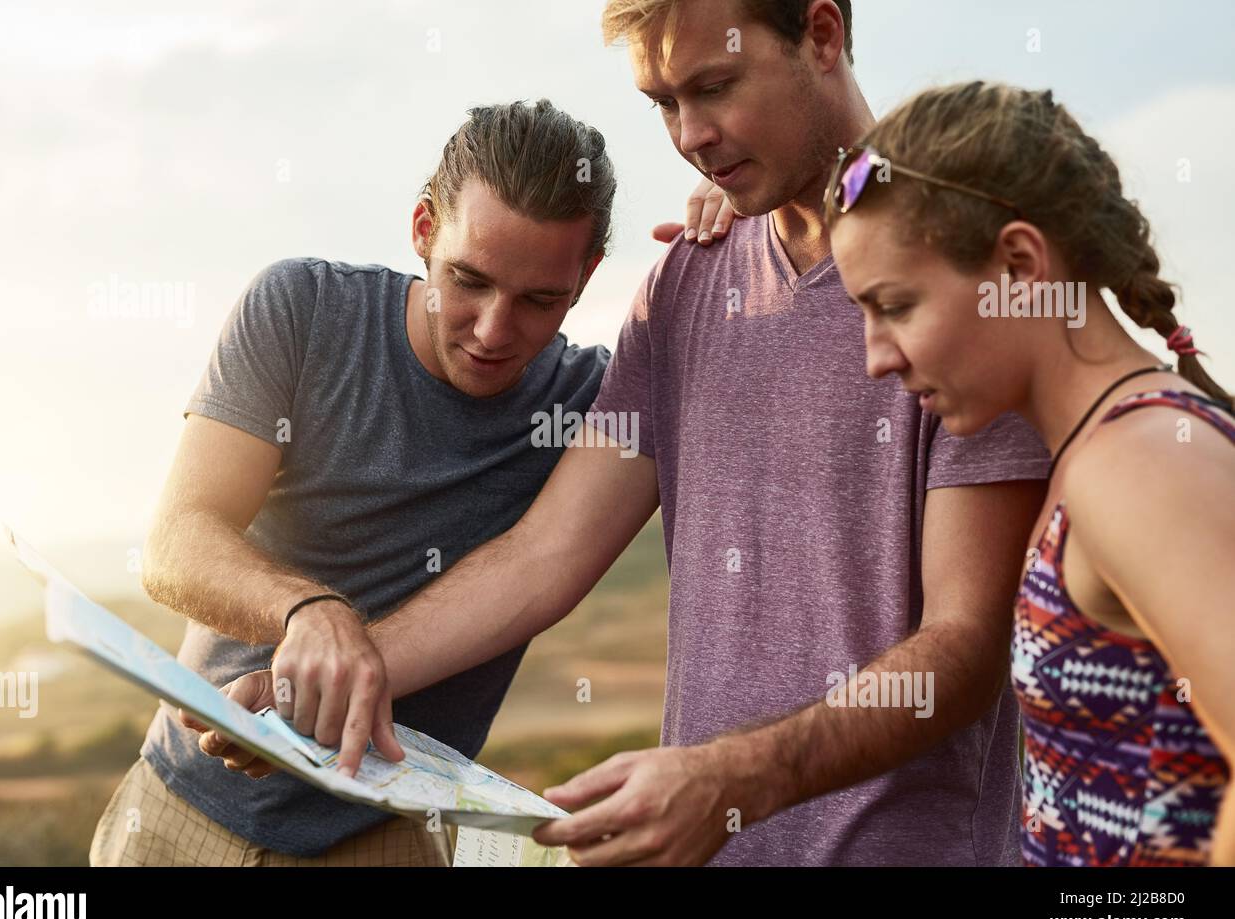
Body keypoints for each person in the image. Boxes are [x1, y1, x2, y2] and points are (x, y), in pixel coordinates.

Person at [201, 0, 1056, 867]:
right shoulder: (685, 281)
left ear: (824, 36)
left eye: (714, 87)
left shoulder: (971, 279)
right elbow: (543, 557)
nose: (691, 135)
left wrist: (731, 778)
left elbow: (970, 644)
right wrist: (309, 683)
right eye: (662, 102)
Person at [87, 99, 616, 866]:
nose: (495, 331)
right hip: (176, 810)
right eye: (469, 281)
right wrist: (308, 609)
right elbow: (174, 544)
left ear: (588, 273)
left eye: (540, 300)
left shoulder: (589, 405)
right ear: (424, 229)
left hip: (384, 841)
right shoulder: (301, 309)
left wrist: (733, 217)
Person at [823, 80, 1235, 866]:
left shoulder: (1139, 464)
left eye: (897, 306)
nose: (877, 358)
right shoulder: (1102, 454)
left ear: (1018, 265)